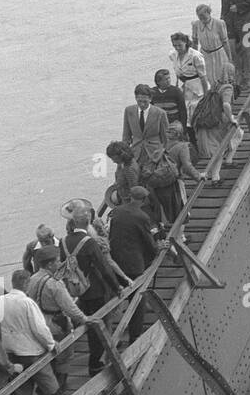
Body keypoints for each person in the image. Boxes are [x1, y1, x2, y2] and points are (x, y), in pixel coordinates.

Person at [62, 212, 127, 376]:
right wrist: (117, 286)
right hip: (95, 289)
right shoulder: (89, 242)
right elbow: (104, 266)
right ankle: (96, 363)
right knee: (99, 324)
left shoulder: (63, 241)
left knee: (89, 322)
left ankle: (101, 354)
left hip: (77, 289)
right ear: (88, 223)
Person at [0, 272, 58, 395]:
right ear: (26, 283)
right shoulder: (27, 303)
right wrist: (51, 344)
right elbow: (39, 328)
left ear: (12, 282)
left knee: (20, 386)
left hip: (10, 351)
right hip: (32, 351)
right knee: (46, 381)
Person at [26, 247, 85, 395]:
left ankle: (47, 389)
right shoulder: (55, 283)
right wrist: (85, 319)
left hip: (38, 324)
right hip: (56, 324)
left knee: (47, 358)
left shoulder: (32, 279)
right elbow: (69, 307)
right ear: (50, 264)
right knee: (64, 356)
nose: (59, 263)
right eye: (57, 260)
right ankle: (59, 390)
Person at [106, 189, 160, 344]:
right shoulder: (142, 216)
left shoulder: (117, 211)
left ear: (130, 197)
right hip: (134, 264)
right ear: (144, 200)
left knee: (118, 295)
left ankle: (112, 335)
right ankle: (134, 336)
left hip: (116, 261)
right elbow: (148, 240)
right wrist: (157, 250)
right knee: (138, 300)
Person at [196, 75, 242, 184]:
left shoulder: (215, 84)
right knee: (237, 134)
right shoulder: (228, 88)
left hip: (207, 120)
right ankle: (227, 162)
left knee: (218, 149)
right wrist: (231, 118)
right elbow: (226, 104)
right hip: (218, 121)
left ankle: (216, 177)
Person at [122, 83, 171, 172]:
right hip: (136, 154)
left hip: (155, 155)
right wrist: (123, 157)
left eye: (145, 101)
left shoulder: (160, 113)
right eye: (139, 101)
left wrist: (163, 155)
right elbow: (126, 136)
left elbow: (166, 139)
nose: (142, 104)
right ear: (135, 98)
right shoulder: (129, 111)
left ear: (150, 99)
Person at [169, 31, 208, 134]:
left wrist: (206, 96)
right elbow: (177, 72)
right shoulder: (172, 55)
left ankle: (199, 135)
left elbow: (203, 77)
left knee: (196, 113)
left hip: (197, 88)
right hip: (184, 87)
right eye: (175, 45)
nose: (177, 48)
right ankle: (189, 136)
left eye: (179, 45)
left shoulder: (196, 56)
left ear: (186, 42)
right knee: (185, 115)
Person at [191, 3, 232, 92]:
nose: (202, 20)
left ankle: (225, 98)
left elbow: (225, 42)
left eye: (204, 17)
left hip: (219, 53)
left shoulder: (219, 23)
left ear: (209, 13)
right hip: (205, 54)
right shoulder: (195, 24)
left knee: (222, 77)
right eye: (199, 17)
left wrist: (229, 59)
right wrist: (193, 59)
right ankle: (212, 100)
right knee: (207, 78)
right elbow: (195, 42)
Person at [150, 68, 189, 133]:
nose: (169, 81)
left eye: (169, 78)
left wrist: (184, 127)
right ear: (158, 82)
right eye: (166, 79)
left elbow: (183, 111)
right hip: (159, 123)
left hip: (174, 123)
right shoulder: (153, 93)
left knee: (177, 130)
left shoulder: (176, 91)